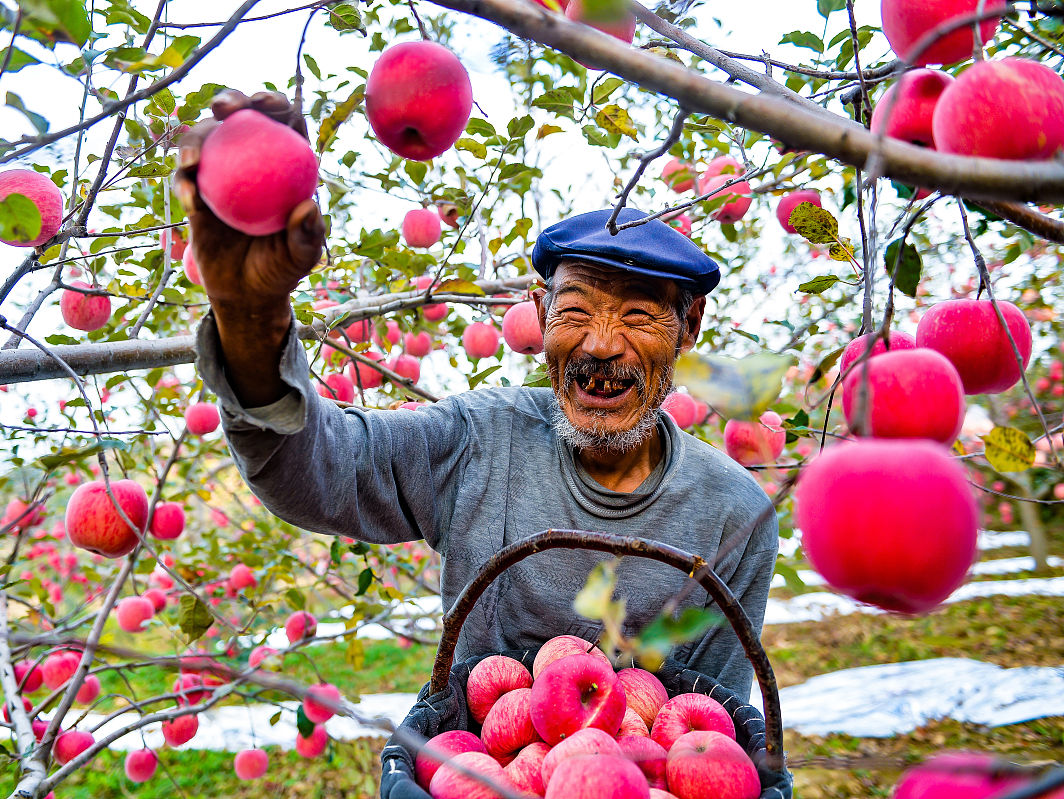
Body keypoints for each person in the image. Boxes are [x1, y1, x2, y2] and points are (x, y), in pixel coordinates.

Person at [177, 91, 778, 701]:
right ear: (541, 316)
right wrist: (250, 318)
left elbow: (709, 720)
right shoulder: (483, 440)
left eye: (638, 315)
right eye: (574, 311)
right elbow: (318, 469)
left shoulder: (734, 514)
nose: (601, 345)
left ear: (689, 326)